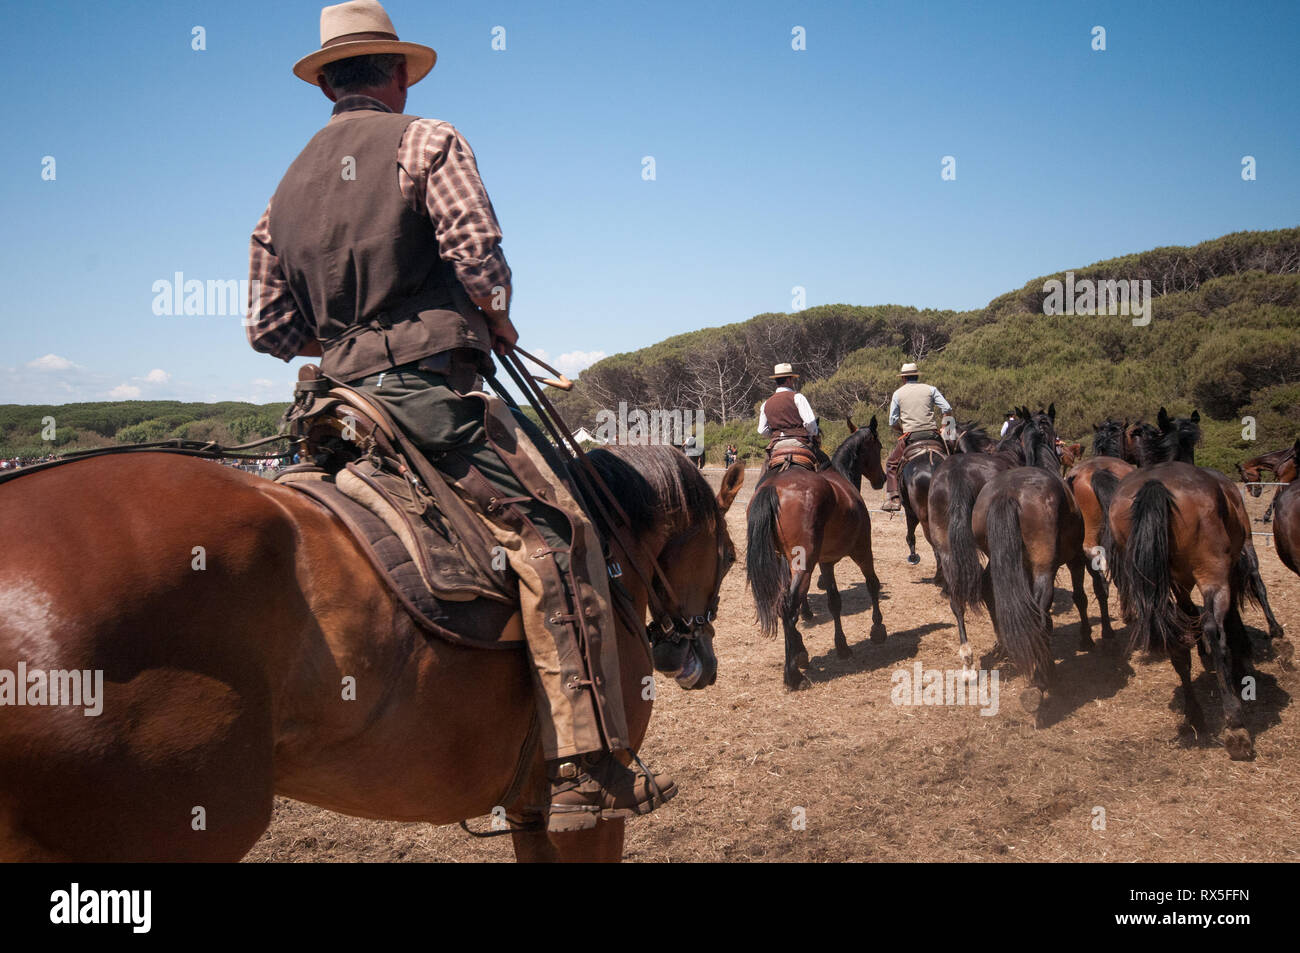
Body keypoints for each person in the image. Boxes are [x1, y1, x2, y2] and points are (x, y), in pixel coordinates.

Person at [245, 0, 672, 831]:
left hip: (335, 407)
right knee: (557, 535)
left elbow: (268, 329)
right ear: (397, 73)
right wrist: (493, 312)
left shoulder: (282, 193)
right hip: (425, 394)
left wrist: (342, 328)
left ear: (326, 83)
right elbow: (478, 256)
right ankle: (587, 760)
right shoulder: (426, 139)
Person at [882, 362, 953, 511]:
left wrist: (902, 430)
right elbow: (947, 408)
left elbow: (892, 421)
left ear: (903, 378)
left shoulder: (898, 393)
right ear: (916, 376)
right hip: (933, 434)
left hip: (911, 436)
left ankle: (894, 499)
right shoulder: (930, 389)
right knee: (953, 457)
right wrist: (944, 427)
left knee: (891, 464)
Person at [757, 362, 826, 464]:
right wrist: (812, 434)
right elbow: (810, 422)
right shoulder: (798, 397)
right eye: (793, 379)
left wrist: (777, 434)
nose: (793, 381)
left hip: (777, 445)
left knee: (765, 471)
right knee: (825, 465)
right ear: (789, 379)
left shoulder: (766, 404)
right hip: (799, 443)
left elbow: (762, 430)